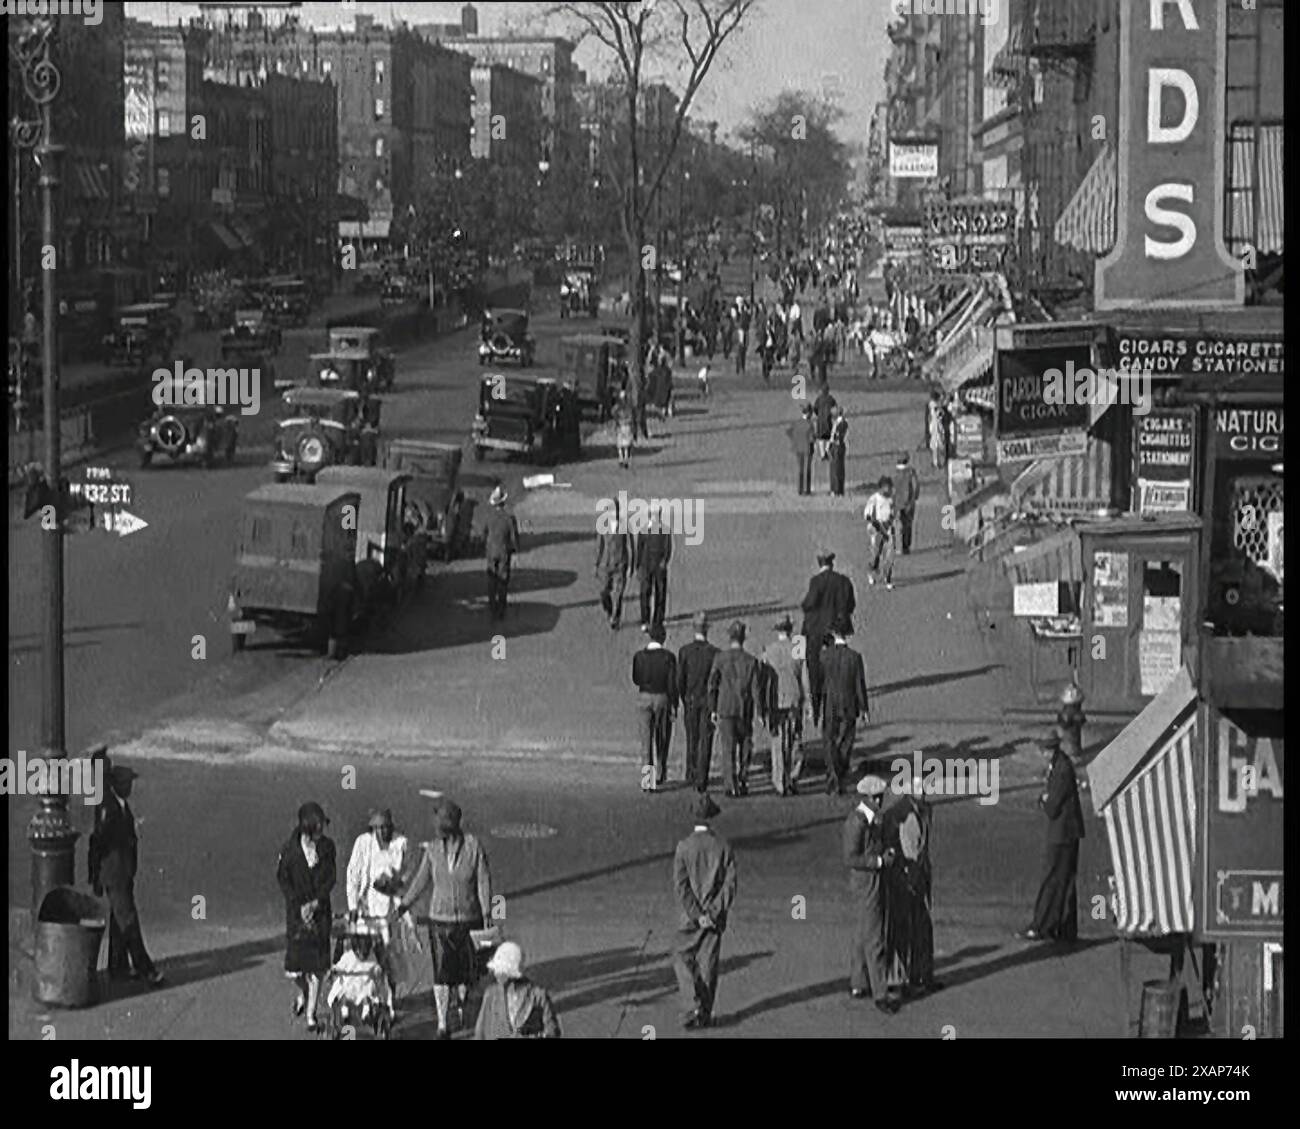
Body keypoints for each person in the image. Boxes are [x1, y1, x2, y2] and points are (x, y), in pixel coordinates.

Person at [396, 800, 493, 1039]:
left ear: (453, 825)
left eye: (442, 824)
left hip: (470, 919)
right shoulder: (432, 850)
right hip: (440, 920)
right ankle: (442, 1024)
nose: (438, 829)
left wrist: (487, 911)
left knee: (466, 976)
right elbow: (421, 879)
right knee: (442, 974)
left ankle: (460, 1002)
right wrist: (404, 904)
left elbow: (483, 880)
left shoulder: (473, 847)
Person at [89, 760, 165, 989]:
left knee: (118, 919)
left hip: (122, 873)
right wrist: (96, 876)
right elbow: (97, 843)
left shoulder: (118, 805)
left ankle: (117, 966)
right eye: (127, 783)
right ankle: (146, 969)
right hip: (115, 874)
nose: (130, 787)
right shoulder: (109, 808)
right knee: (128, 920)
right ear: (117, 785)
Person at [672, 793, 738, 1030]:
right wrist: (713, 912)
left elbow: (682, 887)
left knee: (682, 956)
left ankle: (691, 1004)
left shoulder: (684, 847)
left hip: (689, 918)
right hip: (714, 917)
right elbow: (730, 884)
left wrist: (697, 914)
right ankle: (705, 1012)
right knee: (709, 964)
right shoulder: (723, 847)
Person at [1019, 732, 1085, 943]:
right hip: (1067, 831)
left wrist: (1043, 800)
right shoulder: (1060, 765)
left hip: (1062, 833)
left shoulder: (1061, 770)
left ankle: (1043, 925)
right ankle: (1063, 927)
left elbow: (1052, 806)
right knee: (1064, 880)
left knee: (1052, 879)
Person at [880, 774, 942, 997]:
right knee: (901, 929)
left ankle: (921, 974)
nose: (923, 793)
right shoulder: (900, 814)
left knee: (922, 927)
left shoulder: (924, 809)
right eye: (919, 789)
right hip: (903, 878)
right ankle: (897, 977)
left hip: (920, 875)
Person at [277, 801, 337, 1030]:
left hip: (320, 914)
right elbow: (283, 880)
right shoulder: (289, 851)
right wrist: (300, 906)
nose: (322, 833)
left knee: (318, 968)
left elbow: (331, 878)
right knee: (294, 970)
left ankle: (311, 1014)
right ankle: (303, 992)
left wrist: (316, 903)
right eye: (318, 828)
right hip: (297, 917)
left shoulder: (328, 848)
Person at [843, 775, 900, 1014]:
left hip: (870, 880)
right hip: (867, 882)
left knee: (862, 934)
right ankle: (880, 993)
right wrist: (878, 861)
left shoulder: (872, 819)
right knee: (875, 937)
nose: (882, 801)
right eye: (879, 797)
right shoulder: (856, 823)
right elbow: (850, 858)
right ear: (869, 797)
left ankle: (858, 982)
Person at [799, 551, 857, 727]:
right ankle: (834, 706)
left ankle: (816, 708)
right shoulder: (844, 581)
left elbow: (808, 603)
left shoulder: (816, 581)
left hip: (816, 631)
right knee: (837, 667)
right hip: (836, 628)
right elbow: (851, 604)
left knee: (814, 669)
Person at [708, 620, 764, 798]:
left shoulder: (720, 658)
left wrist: (713, 708)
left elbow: (712, 684)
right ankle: (742, 778)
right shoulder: (751, 661)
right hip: (743, 708)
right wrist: (761, 712)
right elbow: (756, 689)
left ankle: (730, 784)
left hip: (725, 708)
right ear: (743, 638)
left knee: (728, 749)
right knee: (746, 746)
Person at [761, 614, 810, 796]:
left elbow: (764, 679)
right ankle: (792, 778)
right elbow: (804, 676)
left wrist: (763, 705)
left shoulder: (769, 650)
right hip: (794, 699)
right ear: (790, 630)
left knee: (778, 743)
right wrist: (809, 701)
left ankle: (779, 781)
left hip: (776, 701)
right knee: (795, 741)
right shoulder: (798, 648)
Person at [345, 808, 409, 942]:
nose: (383, 831)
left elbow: (406, 874)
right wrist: (353, 907)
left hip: (389, 913)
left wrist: (394, 883)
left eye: (386, 827)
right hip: (367, 911)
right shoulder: (363, 842)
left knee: (388, 951)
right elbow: (353, 875)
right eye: (379, 828)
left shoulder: (401, 843)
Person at [474, 941, 562, 1039]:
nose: (495, 973)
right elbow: (480, 1032)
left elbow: (552, 1032)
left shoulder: (538, 996)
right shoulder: (491, 995)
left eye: (500, 970)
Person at [820, 620, 869, 794]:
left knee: (829, 741)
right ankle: (839, 774)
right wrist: (864, 708)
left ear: (833, 634)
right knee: (846, 742)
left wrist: (816, 705)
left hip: (830, 704)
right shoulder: (854, 657)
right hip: (849, 704)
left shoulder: (825, 656)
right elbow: (859, 684)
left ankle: (834, 777)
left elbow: (820, 683)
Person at [632, 621, 678, 790]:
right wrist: (674, 704)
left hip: (644, 697)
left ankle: (647, 781)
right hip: (662, 698)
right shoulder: (669, 657)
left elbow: (636, 679)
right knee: (662, 737)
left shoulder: (639, 656)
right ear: (663, 638)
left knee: (646, 741)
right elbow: (672, 683)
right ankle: (661, 771)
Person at [677, 612, 719, 791]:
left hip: (691, 699)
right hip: (708, 700)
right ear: (707, 630)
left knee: (691, 738)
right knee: (706, 740)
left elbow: (680, 679)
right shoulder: (714, 653)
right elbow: (716, 681)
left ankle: (691, 771)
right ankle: (702, 777)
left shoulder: (685, 651)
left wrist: (683, 698)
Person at [595, 500, 634, 629]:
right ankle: (610, 610)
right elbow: (600, 546)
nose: (615, 513)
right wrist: (596, 564)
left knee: (618, 593)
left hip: (621, 563)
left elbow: (631, 546)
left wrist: (631, 565)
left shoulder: (625, 525)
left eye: (616, 511)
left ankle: (615, 618)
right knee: (604, 592)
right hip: (606, 565)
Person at [483, 485, 519, 621]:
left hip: (491, 551)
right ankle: (501, 609)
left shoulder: (488, 517)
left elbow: (484, 533)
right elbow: (513, 538)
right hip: (504, 551)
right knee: (503, 580)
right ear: (503, 502)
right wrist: (515, 552)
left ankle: (492, 607)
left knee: (492, 579)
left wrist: (485, 545)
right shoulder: (509, 518)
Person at [635, 508, 673, 633]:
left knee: (660, 593)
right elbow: (639, 549)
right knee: (645, 593)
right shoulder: (643, 530)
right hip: (646, 566)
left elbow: (668, 548)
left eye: (659, 515)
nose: (657, 518)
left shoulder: (665, 530)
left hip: (659, 567)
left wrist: (664, 562)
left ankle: (658, 620)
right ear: (650, 516)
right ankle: (645, 620)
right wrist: (638, 566)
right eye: (655, 515)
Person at [862, 477, 897, 589]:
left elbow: (893, 513)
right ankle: (872, 570)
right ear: (881, 488)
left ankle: (888, 577)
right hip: (877, 529)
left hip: (888, 528)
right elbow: (867, 514)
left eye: (890, 488)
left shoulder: (891, 499)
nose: (889, 490)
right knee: (876, 554)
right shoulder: (874, 499)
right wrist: (875, 524)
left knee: (889, 554)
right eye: (887, 488)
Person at [893, 452, 920, 556]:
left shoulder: (895, 473)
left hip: (897, 503)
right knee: (907, 525)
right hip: (909, 502)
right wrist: (915, 498)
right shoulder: (911, 472)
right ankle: (906, 546)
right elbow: (916, 485)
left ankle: (897, 547)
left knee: (897, 526)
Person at [788, 403, 815, 495]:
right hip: (807, 448)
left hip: (798, 448)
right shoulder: (809, 424)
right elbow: (812, 438)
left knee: (800, 469)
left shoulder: (797, 422)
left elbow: (789, 432)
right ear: (808, 413)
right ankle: (807, 489)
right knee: (807, 470)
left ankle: (800, 489)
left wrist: (795, 440)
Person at [1057, 683, 1087, 767]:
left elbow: (1082, 720)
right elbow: (1064, 725)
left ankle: (1073, 754)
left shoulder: (1073, 713)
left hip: (1073, 739)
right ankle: (1071, 756)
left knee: (1074, 740)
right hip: (1068, 742)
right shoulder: (1067, 714)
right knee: (1070, 742)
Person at [828, 405, 849, 496]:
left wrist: (828, 446)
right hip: (842, 446)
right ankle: (841, 489)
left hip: (836, 446)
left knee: (834, 469)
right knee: (841, 468)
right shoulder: (845, 423)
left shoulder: (837, 423)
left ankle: (835, 490)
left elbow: (834, 436)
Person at [812, 384, 837, 461]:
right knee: (831, 436)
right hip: (828, 420)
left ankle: (823, 454)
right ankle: (827, 449)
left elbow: (815, 409)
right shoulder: (831, 399)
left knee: (820, 438)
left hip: (820, 422)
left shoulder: (818, 399)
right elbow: (835, 408)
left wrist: (818, 415)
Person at [926, 390, 949, 471]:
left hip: (934, 427)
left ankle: (936, 461)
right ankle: (937, 462)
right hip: (936, 427)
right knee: (938, 444)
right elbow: (939, 414)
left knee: (936, 445)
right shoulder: (934, 406)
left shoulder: (932, 405)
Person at [613, 389, 635, 468]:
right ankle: (624, 459)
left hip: (622, 426)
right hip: (625, 426)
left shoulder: (617, 408)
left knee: (621, 444)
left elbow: (614, 415)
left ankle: (622, 459)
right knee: (625, 444)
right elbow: (631, 417)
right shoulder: (628, 407)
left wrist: (617, 423)